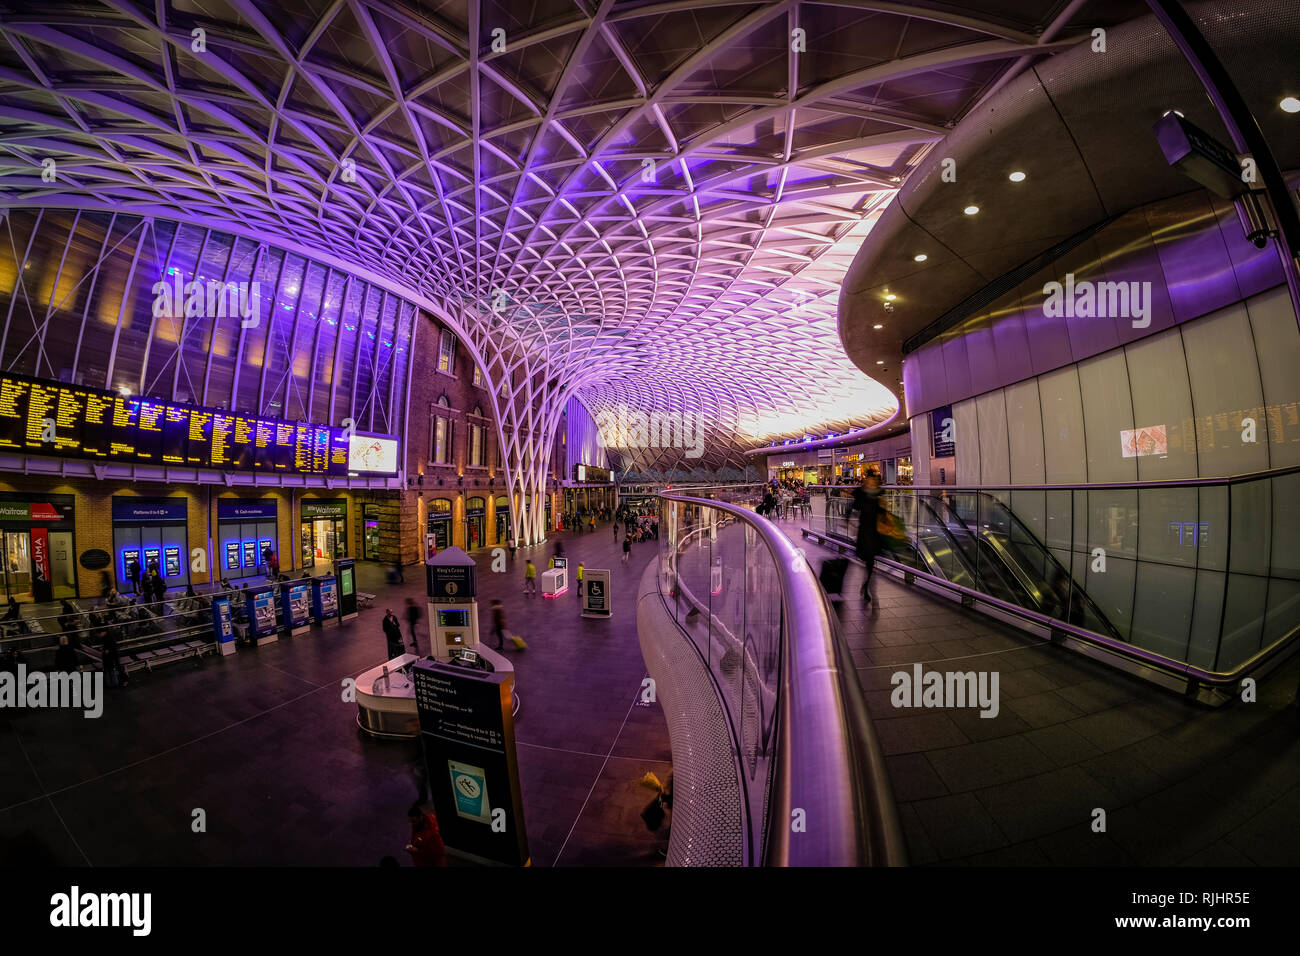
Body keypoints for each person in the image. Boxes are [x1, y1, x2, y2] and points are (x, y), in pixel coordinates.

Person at [846, 472, 882, 603]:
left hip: (873, 531)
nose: (871, 483)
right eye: (869, 480)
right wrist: (847, 519)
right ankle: (866, 586)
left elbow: (879, 510)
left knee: (870, 561)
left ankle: (866, 587)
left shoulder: (877, 495)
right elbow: (852, 507)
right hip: (864, 531)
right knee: (866, 559)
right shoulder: (861, 495)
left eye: (873, 480)